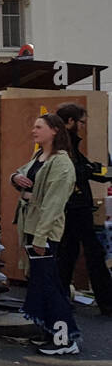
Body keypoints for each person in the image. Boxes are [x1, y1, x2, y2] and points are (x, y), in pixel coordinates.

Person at [13, 116, 80, 355]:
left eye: (39, 127)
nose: (33, 131)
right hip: (32, 228)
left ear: (54, 131)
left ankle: (65, 339)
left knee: (50, 286)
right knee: (41, 284)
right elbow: (22, 174)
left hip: (44, 232)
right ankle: (50, 332)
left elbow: (54, 205)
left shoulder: (62, 164)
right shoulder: (39, 157)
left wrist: (41, 238)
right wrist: (16, 178)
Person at [53, 102, 112, 315]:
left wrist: (100, 170)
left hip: (72, 206)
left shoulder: (68, 144)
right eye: (81, 122)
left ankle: (59, 300)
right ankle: (107, 301)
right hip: (75, 206)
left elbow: (86, 167)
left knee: (67, 254)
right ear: (70, 122)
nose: (83, 127)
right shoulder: (63, 145)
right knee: (93, 253)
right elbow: (71, 172)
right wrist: (91, 170)